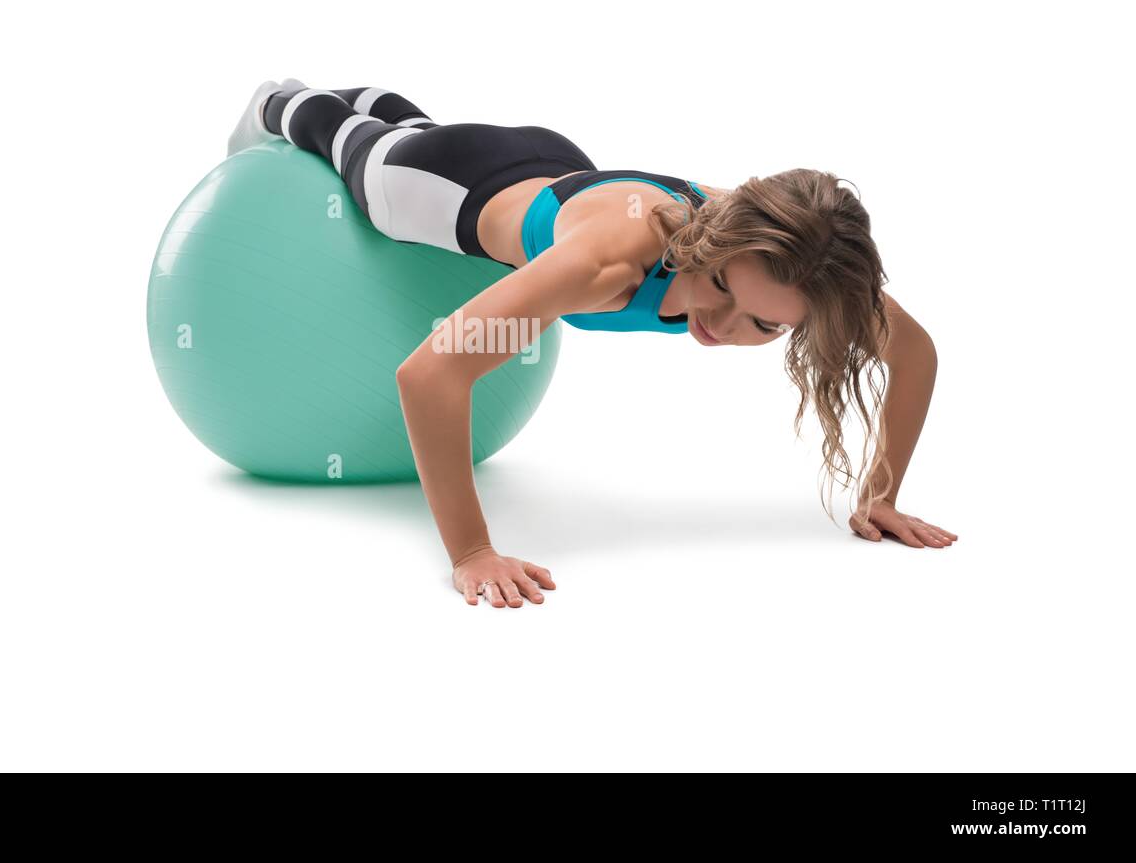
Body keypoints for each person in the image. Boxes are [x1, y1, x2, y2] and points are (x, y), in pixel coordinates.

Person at [227, 79, 957, 608]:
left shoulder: (795, 257)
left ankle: (388, 109)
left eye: (764, 327)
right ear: (722, 240)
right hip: (451, 193)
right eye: (724, 287)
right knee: (365, 154)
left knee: (414, 132)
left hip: (556, 169)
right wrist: (473, 552)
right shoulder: (607, 269)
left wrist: (882, 493)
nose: (720, 323)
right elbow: (431, 375)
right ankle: (284, 100)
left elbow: (914, 352)